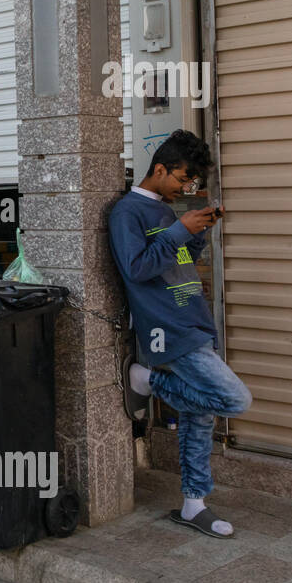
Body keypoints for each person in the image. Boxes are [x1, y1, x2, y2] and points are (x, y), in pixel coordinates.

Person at [110, 129, 252, 539]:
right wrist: (179, 229)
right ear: (160, 169)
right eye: (182, 180)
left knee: (199, 414)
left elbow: (180, 261)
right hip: (167, 329)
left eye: (191, 183)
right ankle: (147, 379)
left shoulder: (167, 212)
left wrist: (198, 231)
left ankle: (194, 505)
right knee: (234, 399)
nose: (185, 188)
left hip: (193, 321)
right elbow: (136, 268)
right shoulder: (127, 212)